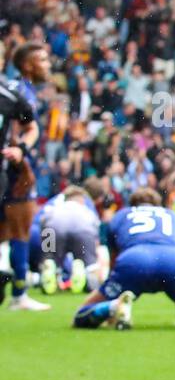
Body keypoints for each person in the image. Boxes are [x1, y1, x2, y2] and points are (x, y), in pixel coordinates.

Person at [74, 188, 175, 330]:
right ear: (158, 204)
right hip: (173, 260)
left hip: (134, 260)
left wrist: (110, 298)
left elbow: (115, 259)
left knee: (81, 315)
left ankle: (114, 307)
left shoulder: (121, 215)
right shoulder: (173, 216)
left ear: (132, 204)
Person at [1, 43, 52, 311]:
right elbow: (11, 127)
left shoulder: (24, 90)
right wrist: (20, 154)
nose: (48, 64)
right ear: (28, 65)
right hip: (13, 169)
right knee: (20, 227)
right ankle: (19, 294)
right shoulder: (19, 90)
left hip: (13, 165)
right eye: (42, 60)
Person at [34, 186, 101, 294]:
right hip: (82, 230)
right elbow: (95, 226)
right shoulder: (85, 209)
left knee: (50, 257)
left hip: (53, 228)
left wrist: (46, 245)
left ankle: (49, 267)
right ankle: (89, 278)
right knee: (88, 260)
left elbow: (43, 220)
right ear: (80, 199)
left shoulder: (56, 206)